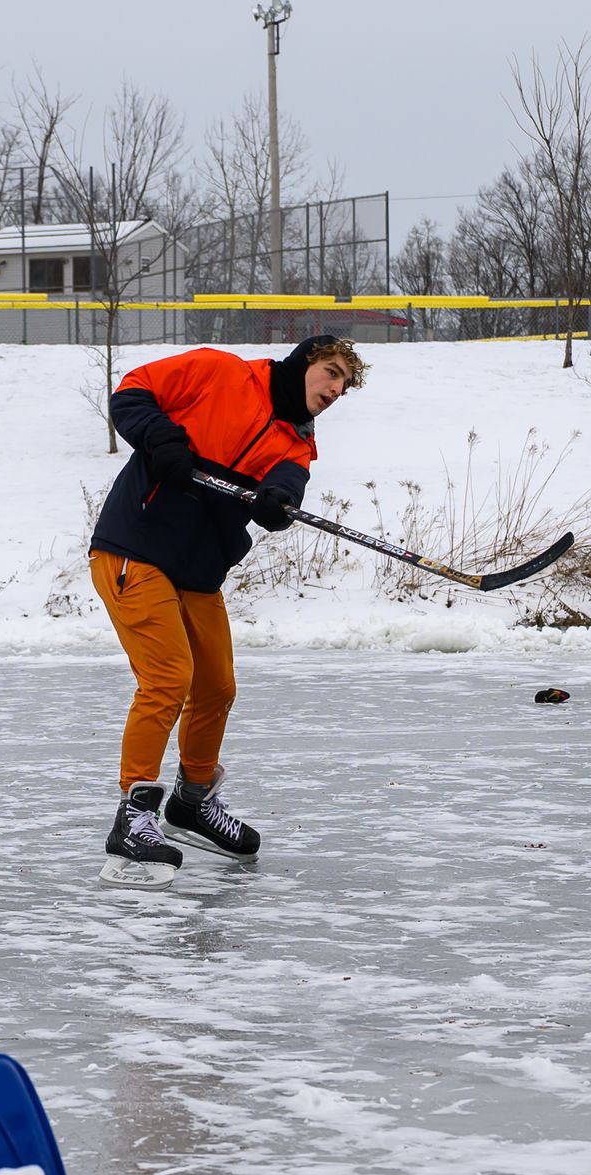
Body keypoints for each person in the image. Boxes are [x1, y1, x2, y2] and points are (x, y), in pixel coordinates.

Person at [88, 334, 367, 884]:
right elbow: (132, 393)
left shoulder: (297, 443)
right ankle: (134, 817)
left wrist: (278, 503)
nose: (336, 389)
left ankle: (191, 802)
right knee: (168, 678)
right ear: (304, 361)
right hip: (134, 546)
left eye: (346, 384)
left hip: (197, 569)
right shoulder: (220, 372)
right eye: (332, 372)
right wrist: (161, 436)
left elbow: (287, 482)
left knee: (216, 687)